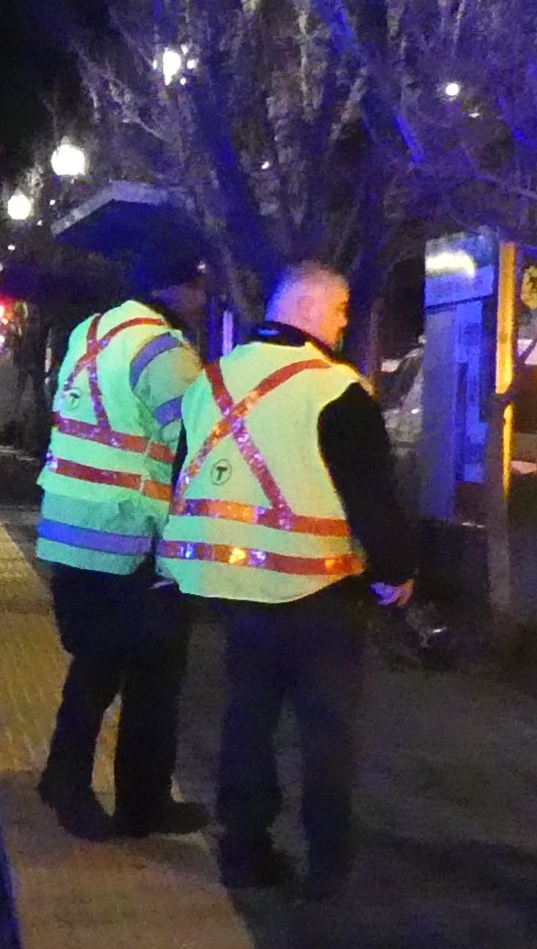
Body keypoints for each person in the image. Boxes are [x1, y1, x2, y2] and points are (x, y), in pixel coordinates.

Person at [165, 263, 421, 896]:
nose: (343, 324)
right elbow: (371, 496)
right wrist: (397, 573)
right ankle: (328, 864)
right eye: (340, 312)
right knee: (327, 730)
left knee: (246, 720)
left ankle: (244, 851)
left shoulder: (214, 380)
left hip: (233, 590)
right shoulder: (335, 389)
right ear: (311, 307)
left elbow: (186, 470)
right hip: (318, 593)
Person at [31, 249, 209, 839]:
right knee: (149, 675)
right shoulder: (162, 350)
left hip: (71, 528)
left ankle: (107, 792)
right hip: (129, 537)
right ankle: (108, 794)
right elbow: (196, 446)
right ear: (177, 289)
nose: (204, 300)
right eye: (199, 286)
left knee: (99, 665)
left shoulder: (93, 331)